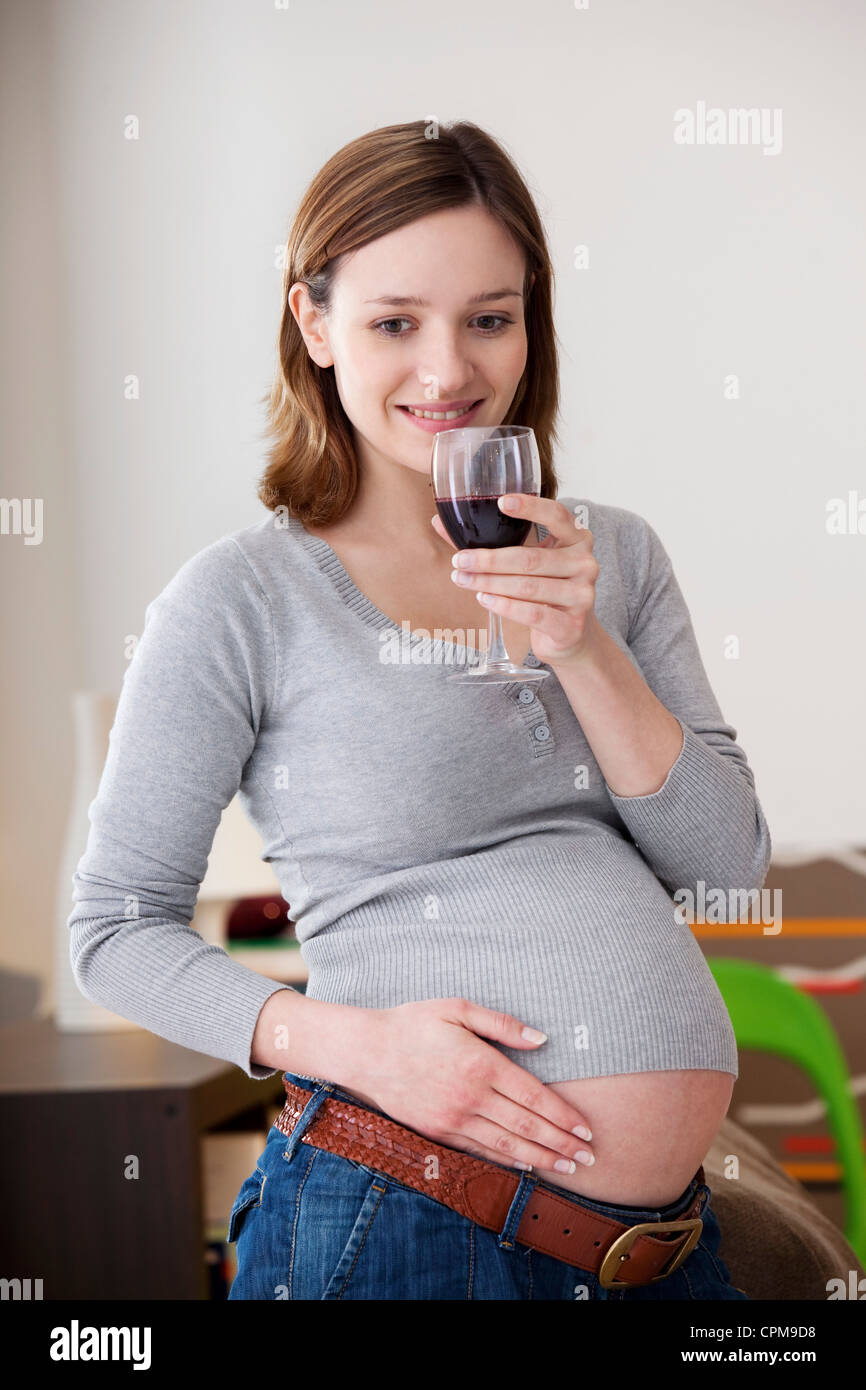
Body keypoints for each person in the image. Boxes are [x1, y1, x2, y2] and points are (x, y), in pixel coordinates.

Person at [69, 119, 768, 1300]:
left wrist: (579, 645)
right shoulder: (242, 597)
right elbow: (114, 930)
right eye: (396, 322)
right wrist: (358, 1045)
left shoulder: (615, 559)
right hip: (398, 1220)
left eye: (489, 318)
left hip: (655, 1258)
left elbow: (726, 869)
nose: (449, 371)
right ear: (313, 324)